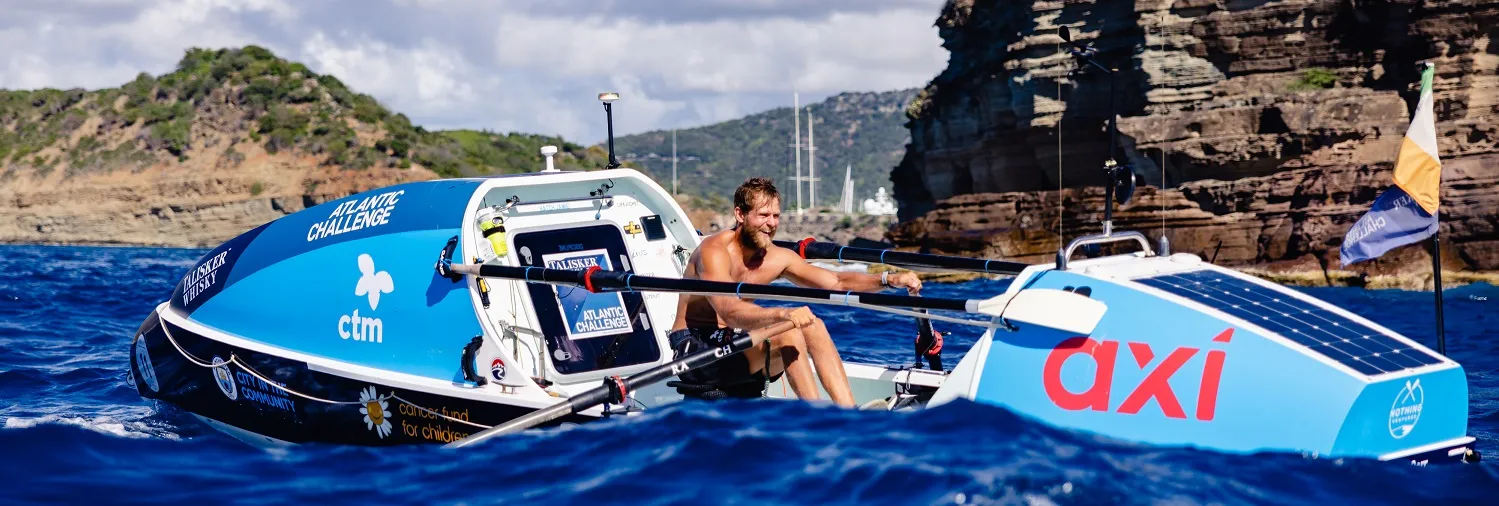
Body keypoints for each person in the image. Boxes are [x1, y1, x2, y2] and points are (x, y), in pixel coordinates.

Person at [668, 177, 922, 407]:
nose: (771, 224)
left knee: (813, 324)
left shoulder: (777, 257)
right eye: (763, 215)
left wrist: (889, 278)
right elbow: (730, 311)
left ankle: (848, 414)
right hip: (695, 349)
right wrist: (783, 314)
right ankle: (816, 417)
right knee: (789, 332)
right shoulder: (714, 251)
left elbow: (836, 281)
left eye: (776, 216)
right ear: (740, 214)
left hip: (733, 341)